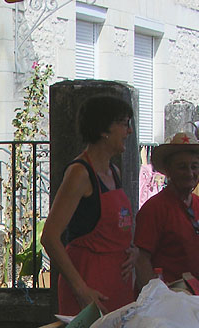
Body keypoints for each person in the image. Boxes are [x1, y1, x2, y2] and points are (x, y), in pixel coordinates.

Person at [41, 95, 137, 315]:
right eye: (124, 124)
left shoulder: (115, 172)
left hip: (118, 285)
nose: (129, 131)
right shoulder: (80, 173)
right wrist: (80, 288)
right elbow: (49, 237)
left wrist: (133, 252)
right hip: (89, 287)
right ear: (104, 129)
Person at [133, 133, 199, 285]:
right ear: (168, 170)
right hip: (169, 298)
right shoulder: (154, 208)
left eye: (194, 167)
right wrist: (154, 297)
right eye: (182, 167)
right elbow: (141, 259)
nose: (189, 173)